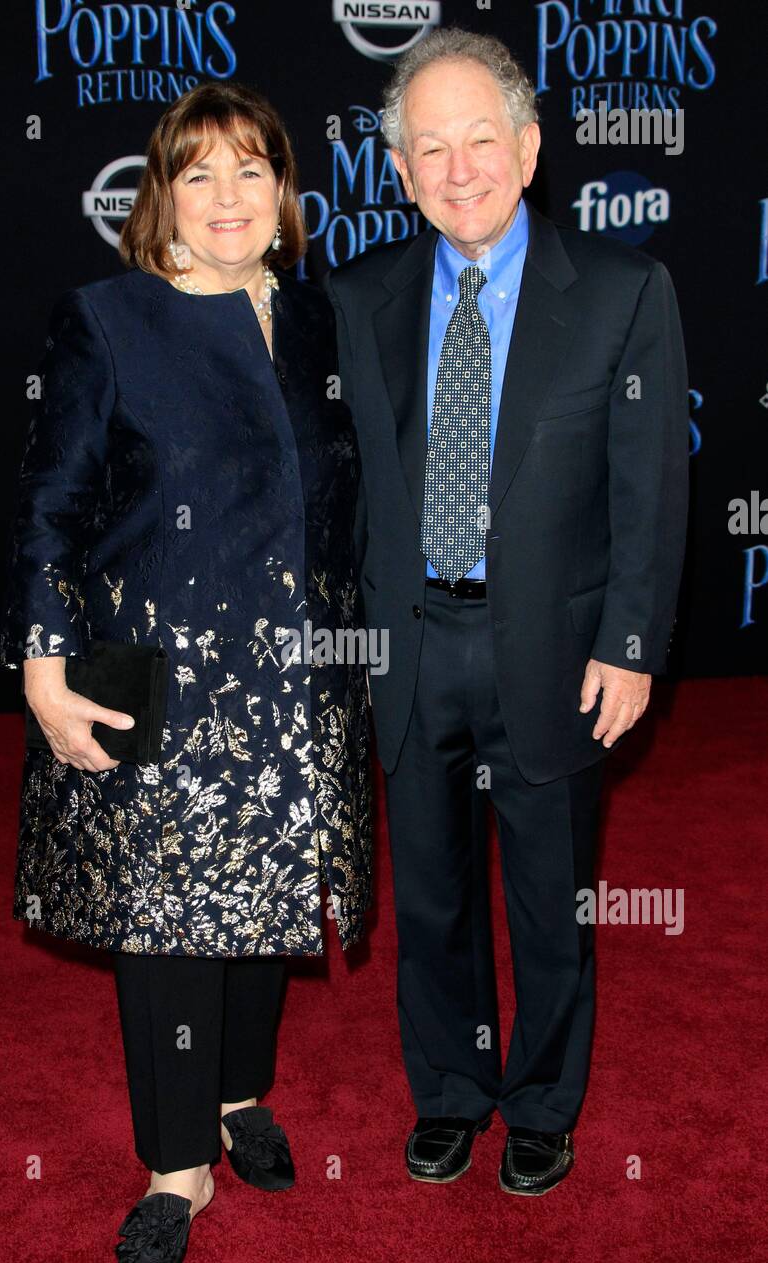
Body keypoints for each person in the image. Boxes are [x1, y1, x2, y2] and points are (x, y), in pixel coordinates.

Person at [0, 81, 372, 1263]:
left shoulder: (319, 321)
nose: (227, 196)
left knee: (265, 900)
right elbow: (49, 506)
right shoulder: (110, 320)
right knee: (167, 923)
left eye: (251, 170)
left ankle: (239, 1092)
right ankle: (175, 1168)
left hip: (296, 671)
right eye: (198, 172)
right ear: (163, 193)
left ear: (283, 193)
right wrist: (43, 668)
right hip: (160, 671)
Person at [325, 28, 688, 1196]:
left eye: (480, 138)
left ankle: (539, 1099)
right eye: (427, 147)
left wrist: (629, 646)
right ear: (397, 171)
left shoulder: (623, 293)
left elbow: (648, 487)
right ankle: (448, 1091)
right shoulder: (357, 296)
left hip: (552, 652)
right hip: (413, 647)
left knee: (544, 897)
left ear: (529, 150)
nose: (457, 166)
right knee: (427, 894)